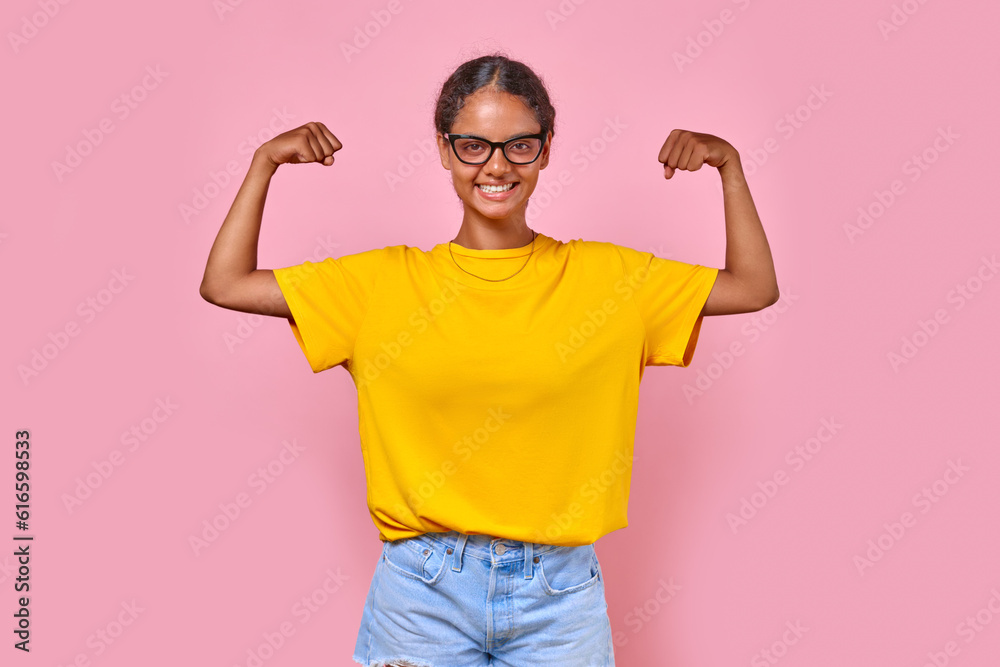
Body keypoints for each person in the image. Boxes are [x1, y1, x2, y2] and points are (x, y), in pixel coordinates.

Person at [200, 53, 777, 667]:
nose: (496, 165)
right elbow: (226, 283)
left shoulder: (612, 282)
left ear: (546, 149)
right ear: (445, 150)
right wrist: (264, 163)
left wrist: (729, 168)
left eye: (518, 145)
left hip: (560, 597)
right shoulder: (380, 285)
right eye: (474, 146)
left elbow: (753, 287)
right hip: (422, 593)